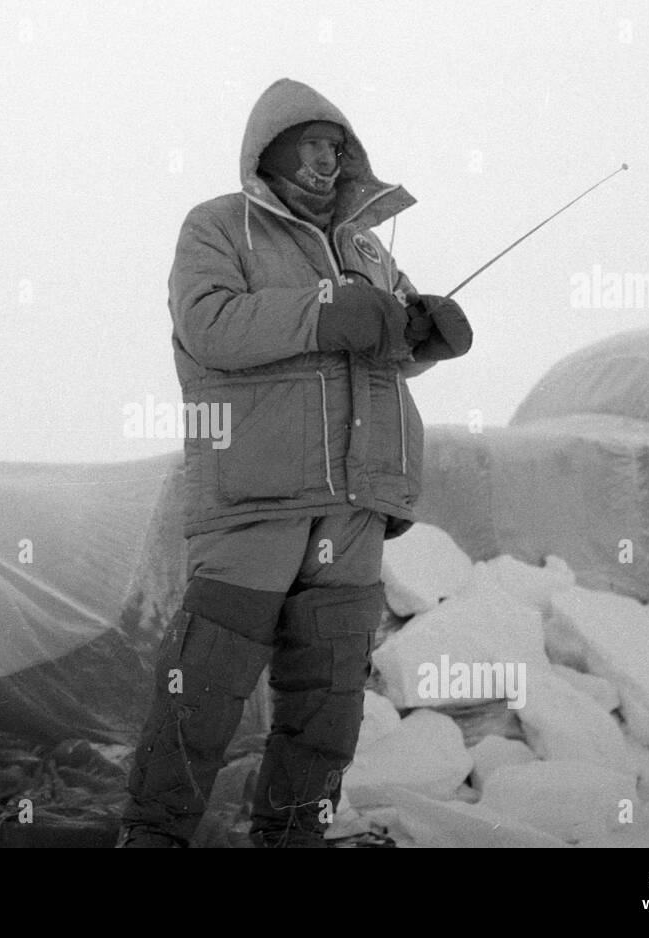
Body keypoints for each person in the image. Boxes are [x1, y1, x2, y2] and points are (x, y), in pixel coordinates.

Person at [118, 77, 473, 847]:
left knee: (330, 697)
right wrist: (322, 310)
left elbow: (378, 348)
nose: (328, 159)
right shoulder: (218, 226)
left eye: (338, 147)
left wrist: (423, 338)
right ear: (272, 149)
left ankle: (292, 838)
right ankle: (152, 836)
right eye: (313, 145)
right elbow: (207, 325)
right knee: (203, 691)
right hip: (256, 495)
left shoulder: (368, 248)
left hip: (355, 499)